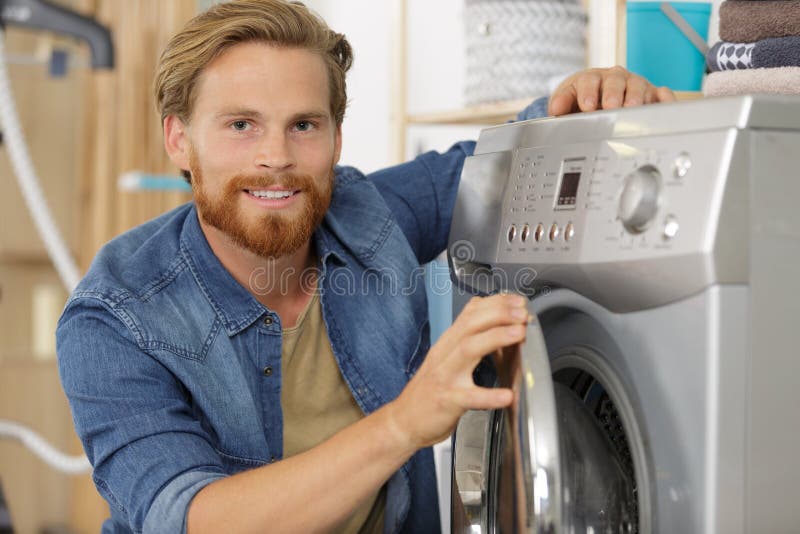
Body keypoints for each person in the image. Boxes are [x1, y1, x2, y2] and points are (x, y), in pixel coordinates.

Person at [56, 1, 675, 533]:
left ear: (336, 139)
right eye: (241, 125)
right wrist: (405, 423)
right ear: (178, 139)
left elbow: (500, 164)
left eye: (304, 125)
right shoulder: (114, 318)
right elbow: (192, 520)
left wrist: (592, 101)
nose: (276, 157)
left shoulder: (366, 217)